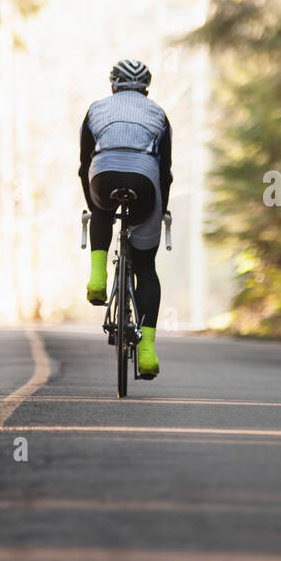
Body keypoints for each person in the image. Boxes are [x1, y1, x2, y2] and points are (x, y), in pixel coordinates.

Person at [78, 59, 172, 379]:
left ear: (113, 85)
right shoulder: (158, 114)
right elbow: (165, 172)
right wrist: (160, 211)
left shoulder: (95, 109)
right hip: (145, 181)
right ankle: (146, 352)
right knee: (145, 267)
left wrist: (93, 204)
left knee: (102, 211)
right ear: (146, 88)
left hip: (102, 177)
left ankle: (97, 278)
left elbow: (82, 164)